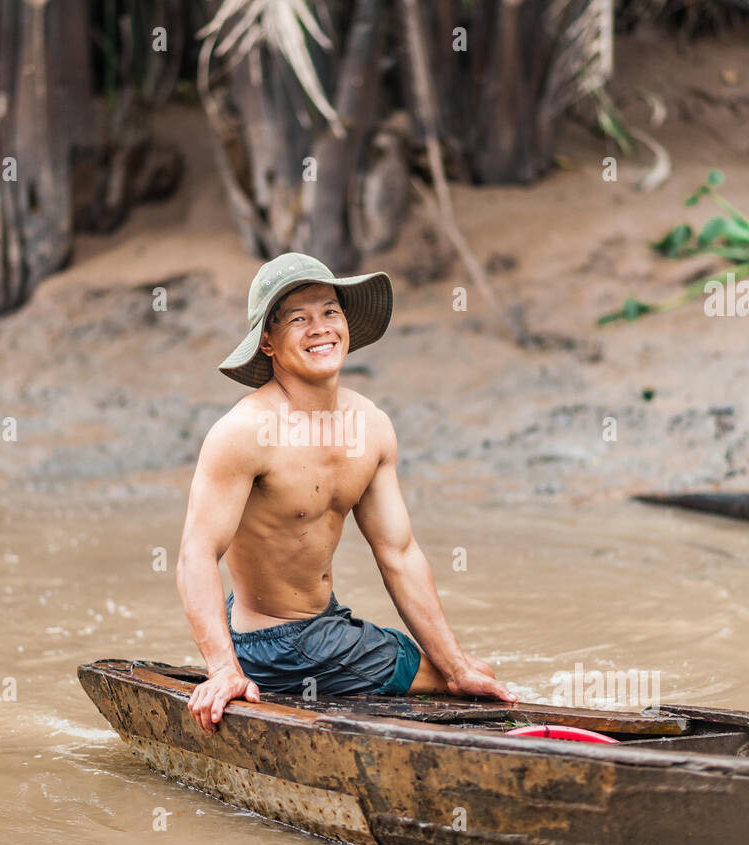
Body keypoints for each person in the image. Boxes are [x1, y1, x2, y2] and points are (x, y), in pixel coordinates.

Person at [176, 252, 516, 735]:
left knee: (461, 670)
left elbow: (398, 552)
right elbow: (196, 554)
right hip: (271, 637)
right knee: (454, 677)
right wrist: (222, 670)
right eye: (299, 318)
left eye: (330, 312)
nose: (320, 328)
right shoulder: (244, 433)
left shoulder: (371, 426)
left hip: (321, 621)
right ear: (268, 342)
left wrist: (456, 664)